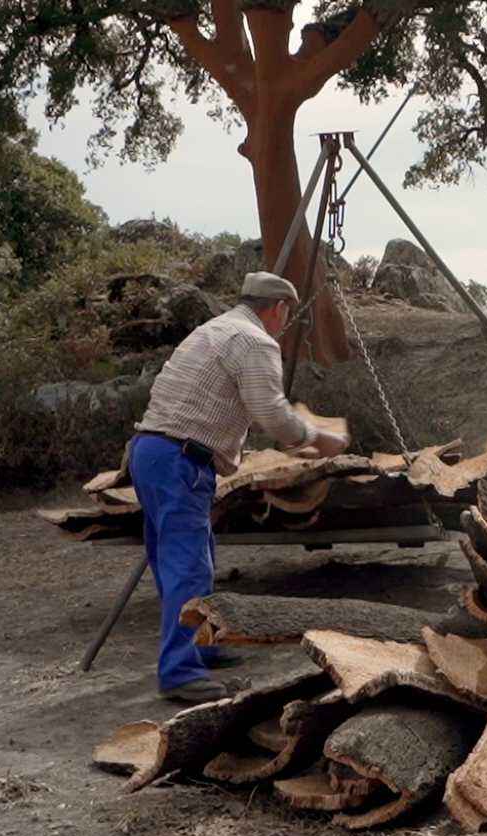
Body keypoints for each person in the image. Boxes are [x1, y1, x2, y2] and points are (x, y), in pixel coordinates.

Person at [130, 272, 348, 702]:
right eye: (284, 314)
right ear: (277, 308)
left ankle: (201, 645)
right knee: (188, 566)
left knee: (185, 556)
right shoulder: (254, 341)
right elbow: (270, 412)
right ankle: (180, 672)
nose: (283, 323)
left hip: (152, 451)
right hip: (181, 459)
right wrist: (318, 439)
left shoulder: (213, 330)